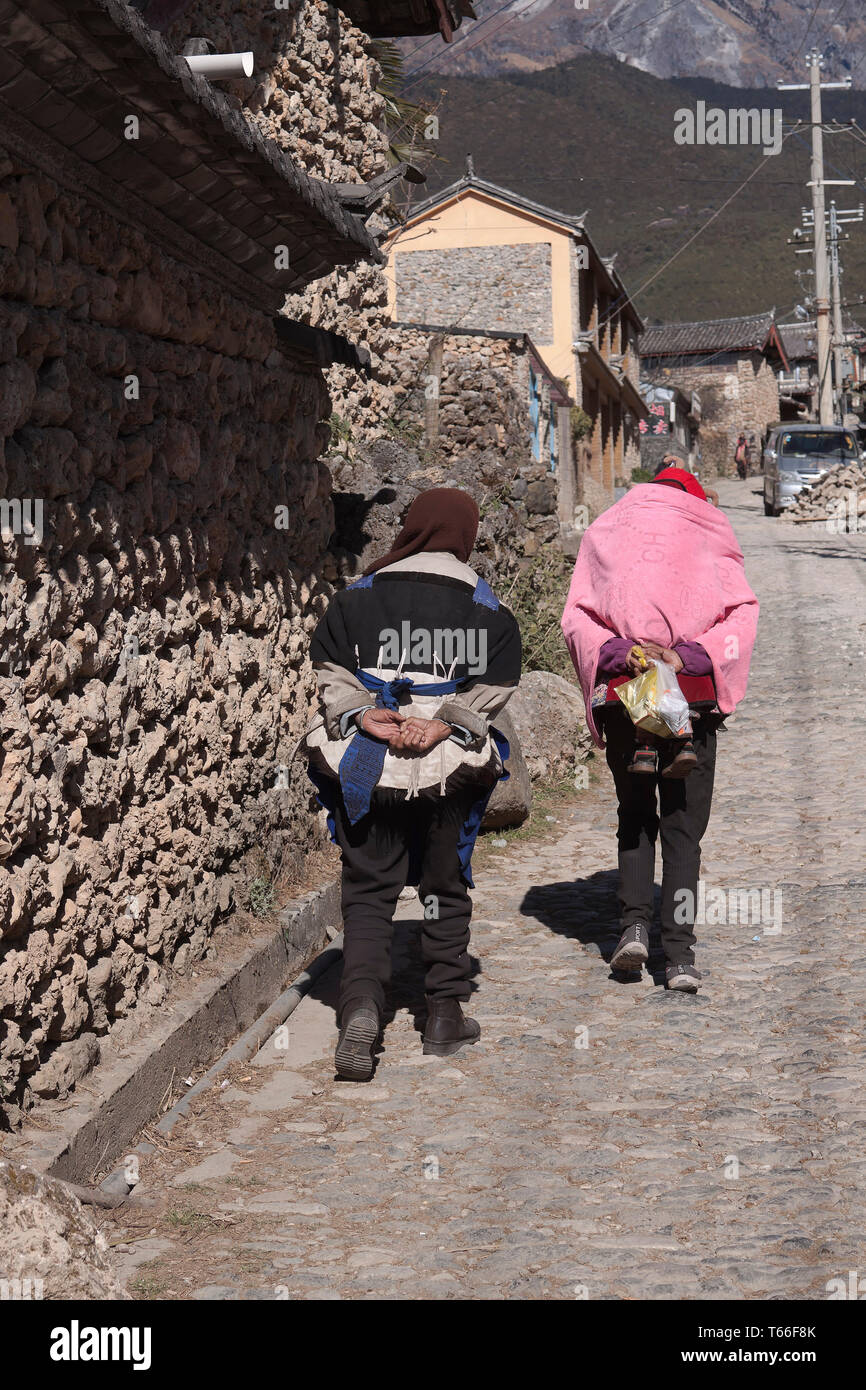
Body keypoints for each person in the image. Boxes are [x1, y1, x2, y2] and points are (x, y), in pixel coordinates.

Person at [304, 488, 522, 1078]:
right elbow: (497, 681)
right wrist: (444, 720)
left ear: (413, 528)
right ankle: (445, 1016)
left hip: (367, 758)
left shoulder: (360, 595)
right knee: (443, 885)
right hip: (445, 768)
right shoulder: (486, 608)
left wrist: (362, 712)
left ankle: (360, 1012)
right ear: (464, 534)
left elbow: (330, 666)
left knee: (369, 889)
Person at [561, 466, 758, 992]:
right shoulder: (712, 528)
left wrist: (621, 651)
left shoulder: (608, 526)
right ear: (695, 496)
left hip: (628, 699)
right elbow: (740, 614)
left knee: (635, 815)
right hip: (691, 703)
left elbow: (578, 615)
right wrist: (689, 655)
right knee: (683, 828)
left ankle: (632, 928)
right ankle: (680, 958)